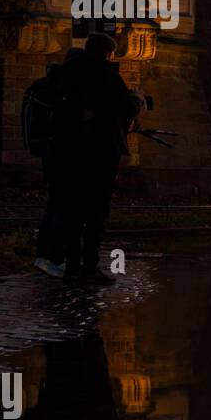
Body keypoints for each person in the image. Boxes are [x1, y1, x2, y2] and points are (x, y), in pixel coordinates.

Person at [52, 33, 141, 281]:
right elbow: (124, 107)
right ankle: (89, 266)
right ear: (106, 53)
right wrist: (137, 101)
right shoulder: (107, 75)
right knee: (96, 209)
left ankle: (71, 265)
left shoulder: (66, 73)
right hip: (100, 150)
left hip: (68, 148)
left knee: (72, 208)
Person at [32, 47, 84, 277]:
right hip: (64, 155)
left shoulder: (49, 85)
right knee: (64, 207)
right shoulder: (65, 89)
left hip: (50, 153)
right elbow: (72, 123)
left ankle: (46, 255)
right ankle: (55, 257)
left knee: (55, 205)